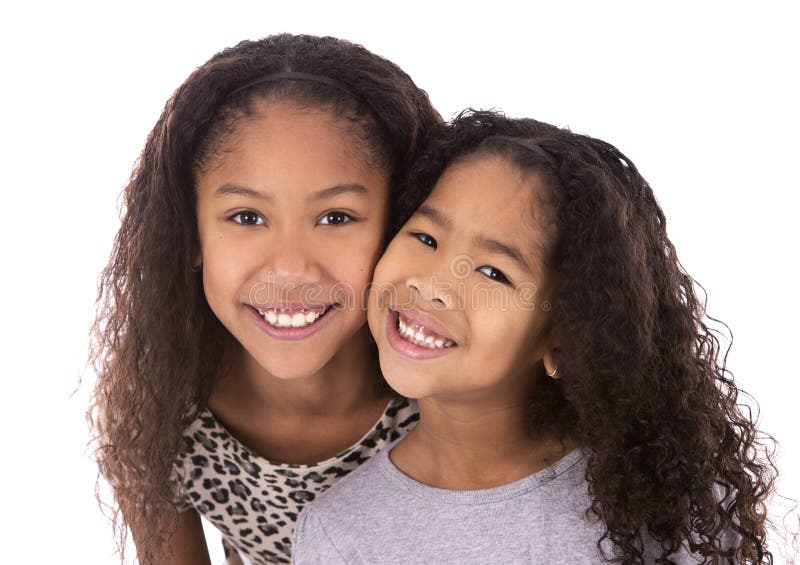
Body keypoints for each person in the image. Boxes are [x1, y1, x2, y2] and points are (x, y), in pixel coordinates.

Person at [291, 111, 777, 564]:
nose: (432, 285)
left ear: (566, 335)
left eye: (492, 272)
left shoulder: (670, 500)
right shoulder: (339, 534)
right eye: (426, 238)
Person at [87, 34, 439, 565]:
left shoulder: (445, 395)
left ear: (400, 224)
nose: (291, 269)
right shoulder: (158, 405)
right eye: (247, 218)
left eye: (336, 218)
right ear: (189, 236)